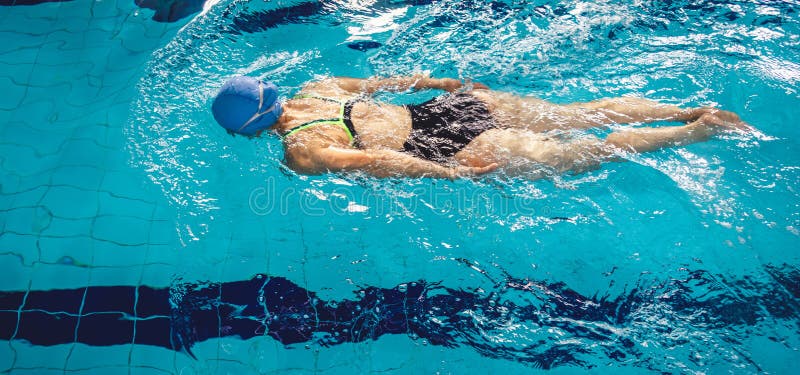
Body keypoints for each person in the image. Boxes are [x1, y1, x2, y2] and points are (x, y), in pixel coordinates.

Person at [210, 74, 749, 179]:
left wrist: (450, 175)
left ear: (246, 133)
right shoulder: (319, 85)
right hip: (453, 110)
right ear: (271, 93)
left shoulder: (301, 152)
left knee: (590, 151)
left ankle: (696, 132)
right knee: (580, 113)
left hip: (436, 143)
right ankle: (683, 109)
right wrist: (447, 83)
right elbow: (388, 81)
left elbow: (374, 160)